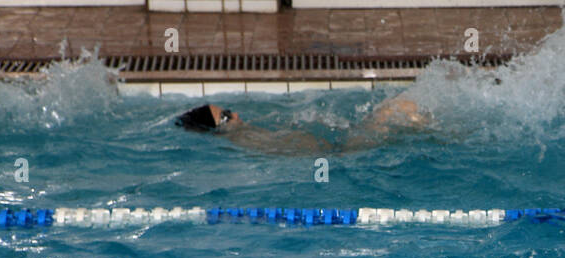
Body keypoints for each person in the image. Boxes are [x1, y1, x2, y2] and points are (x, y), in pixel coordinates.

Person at [174, 94, 431, 153]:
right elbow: (292, 150)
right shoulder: (244, 139)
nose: (236, 115)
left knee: (397, 111)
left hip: (335, 148)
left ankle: (434, 137)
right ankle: (442, 137)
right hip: (337, 152)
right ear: (218, 130)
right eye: (227, 116)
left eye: (229, 110)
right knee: (395, 109)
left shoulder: (247, 133)